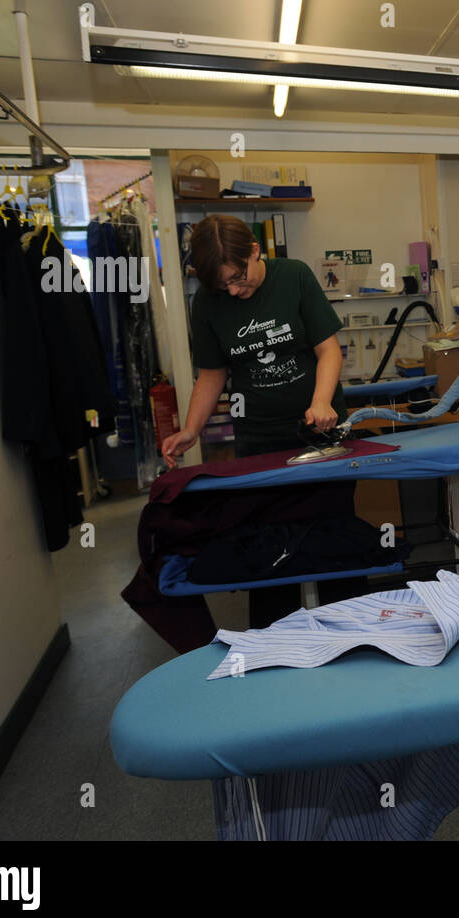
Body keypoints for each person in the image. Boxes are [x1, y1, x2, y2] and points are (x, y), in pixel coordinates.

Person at [161, 214, 354, 628]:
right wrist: (191, 430)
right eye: (223, 285)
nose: (234, 290)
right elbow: (212, 374)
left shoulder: (295, 277)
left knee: (333, 536)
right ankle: (274, 645)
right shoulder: (208, 303)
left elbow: (329, 351)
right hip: (259, 438)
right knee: (266, 547)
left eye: (238, 277)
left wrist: (321, 402)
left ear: (254, 251)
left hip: (319, 431)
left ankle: (351, 630)